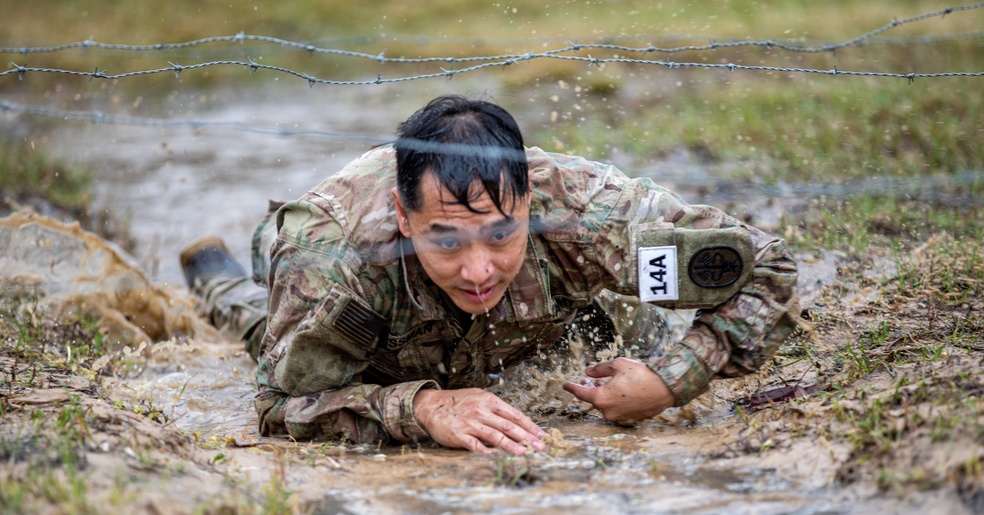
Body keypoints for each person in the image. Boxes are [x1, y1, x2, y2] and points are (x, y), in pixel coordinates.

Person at [181, 95, 801, 455]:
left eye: (501, 235)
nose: (478, 270)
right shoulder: (333, 258)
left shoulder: (585, 214)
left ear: (529, 201)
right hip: (383, 344)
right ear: (404, 215)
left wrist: (670, 380)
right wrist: (420, 408)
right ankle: (217, 281)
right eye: (446, 240)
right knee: (266, 334)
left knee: (631, 323)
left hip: (532, 327)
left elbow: (762, 265)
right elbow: (280, 406)